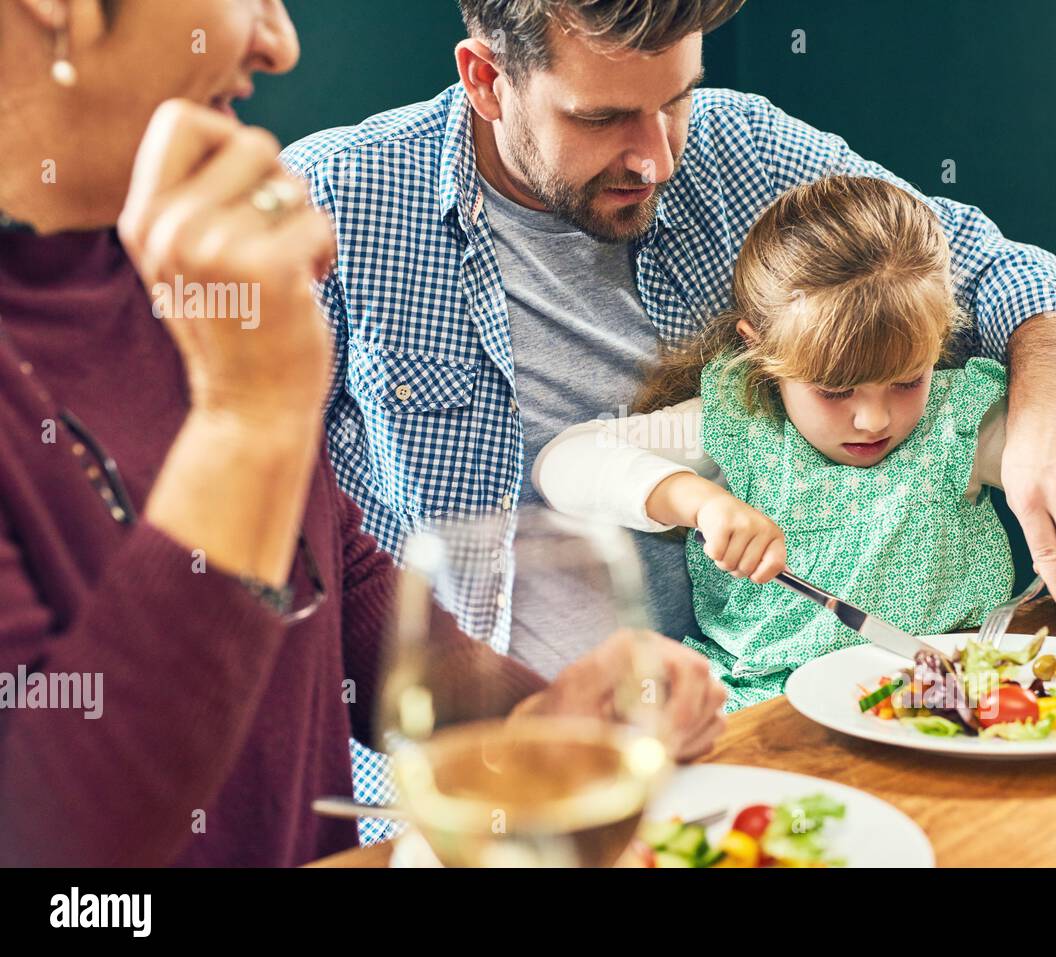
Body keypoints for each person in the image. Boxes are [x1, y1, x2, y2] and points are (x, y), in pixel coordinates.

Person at [0, 0, 724, 868]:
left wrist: (531, 717)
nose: (279, 40)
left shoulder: (155, 255)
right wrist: (251, 414)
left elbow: (331, 580)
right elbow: (48, 844)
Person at [283, 0, 1056, 678]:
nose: (655, 157)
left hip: (704, 735)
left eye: (676, 98)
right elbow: (254, 534)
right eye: (604, 117)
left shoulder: (744, 148)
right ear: (486, 79)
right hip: (448, 764)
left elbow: (990, 264)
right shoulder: (334, 201)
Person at [535, 177, 1056, 710]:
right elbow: (563, 462)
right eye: (835, 390)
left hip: (945, 693)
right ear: (762, 350)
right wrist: (695, 501)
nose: (873, 419)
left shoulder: (958, 425)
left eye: (905, 380)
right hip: (766, 707)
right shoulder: (737, 424)